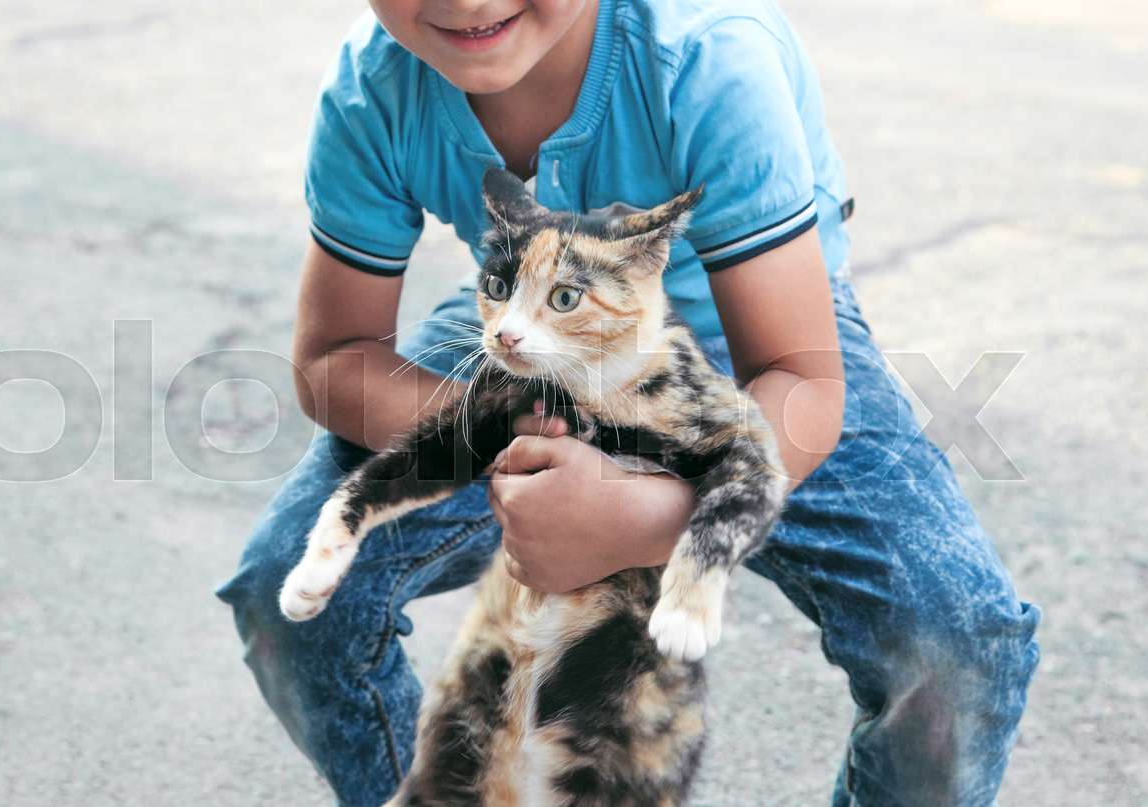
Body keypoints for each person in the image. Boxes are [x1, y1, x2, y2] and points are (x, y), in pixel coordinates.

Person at [216, 1, 1040, 804]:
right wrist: (517, 439)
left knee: (957, 639)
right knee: (285, 595)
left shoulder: (708, 56)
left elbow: (800, 374)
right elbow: (335, 358)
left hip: (758, 340)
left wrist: (647, 516)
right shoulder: (376, 86)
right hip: (538, 336)